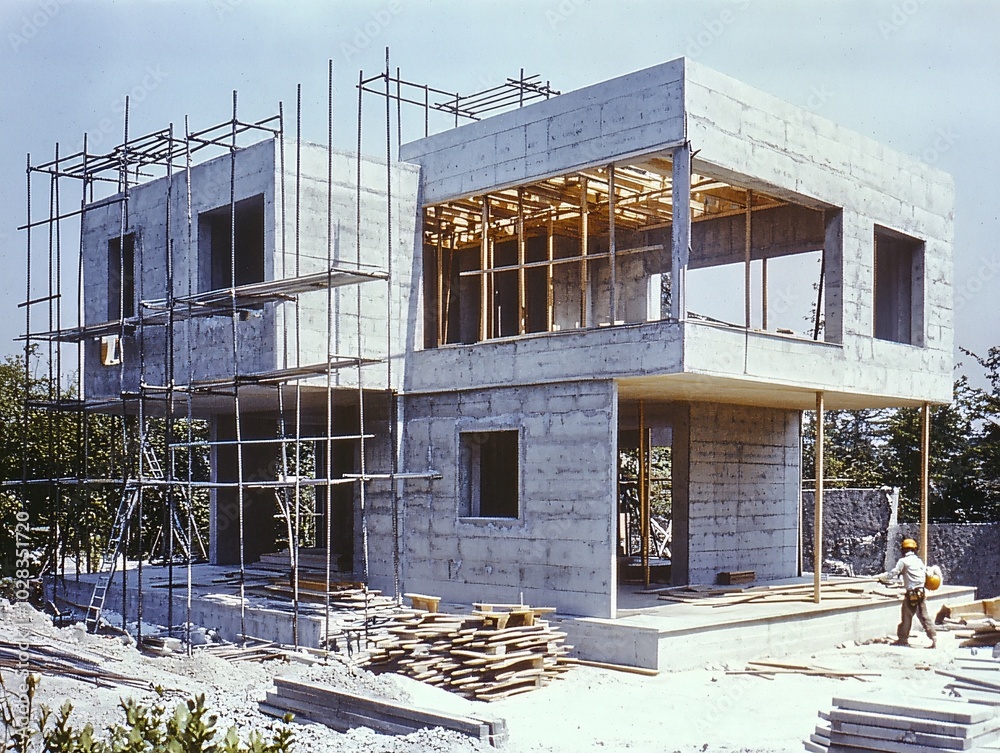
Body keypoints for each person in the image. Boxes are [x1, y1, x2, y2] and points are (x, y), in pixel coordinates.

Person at [880, 538, 937, 648]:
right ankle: (933, 637)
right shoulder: (918, 561)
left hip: (911, 594)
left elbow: (894, 573)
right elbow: (925, 573)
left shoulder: (903, 561)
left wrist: (882, 578)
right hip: (921, 592)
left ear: (903, 550)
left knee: (906, 617)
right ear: (915, 549)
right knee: (924, 616)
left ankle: (903, 639)